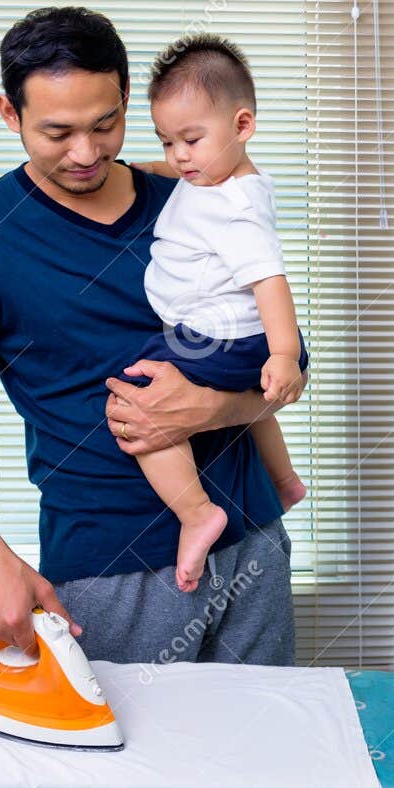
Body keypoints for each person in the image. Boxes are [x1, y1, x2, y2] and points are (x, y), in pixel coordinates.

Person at [0, 6, 303, 788]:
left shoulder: (195, 188)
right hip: (102, 572)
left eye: (105, 123)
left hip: (247, 544)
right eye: (56, 132)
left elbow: (283, 362)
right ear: (8, 114)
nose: (85, 151)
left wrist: (203, 406)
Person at [126, 33, 309, 592]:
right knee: (258, 408)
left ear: (243, 126)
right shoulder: (220, 174)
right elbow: (186, 167)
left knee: (136, 406)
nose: (180, 157)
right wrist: (155, 167)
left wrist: (283, 353)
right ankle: (283, 481)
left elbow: (269, 279)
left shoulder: (236, 209)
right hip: (241, 338)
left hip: (216, 337)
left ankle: (196, 513)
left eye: (191, 140)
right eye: (168, 141)